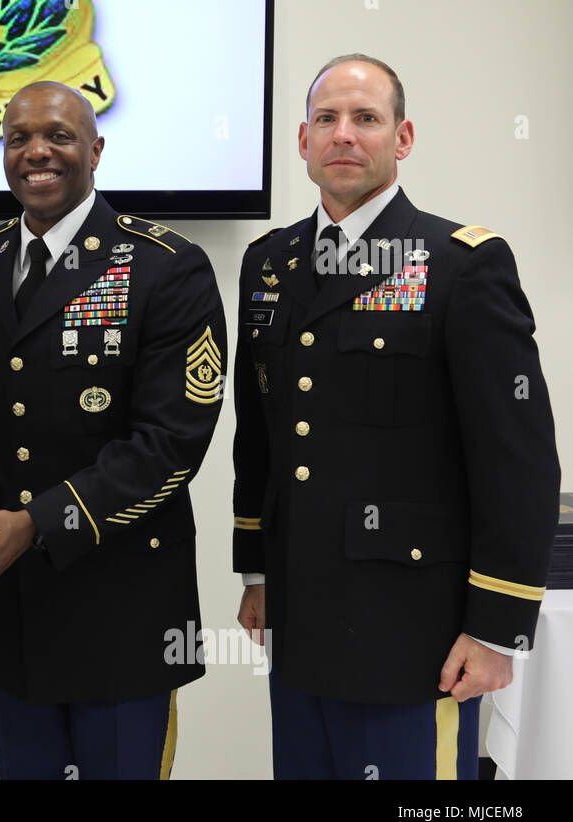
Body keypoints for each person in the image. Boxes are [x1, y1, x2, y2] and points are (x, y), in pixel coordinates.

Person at [231, 55, 559, 779]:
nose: (343, 135)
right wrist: (255, 569)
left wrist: (496, 625)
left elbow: (519, 457)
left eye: (366, 119)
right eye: (327, 120)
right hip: (303, 615)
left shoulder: (459, 264)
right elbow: (259, 433)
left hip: (418, 629)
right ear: (302, 140)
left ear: (403, 138)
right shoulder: (269, 262)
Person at [0, 82, 226, 779]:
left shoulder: (165, 265)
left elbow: (171, 446)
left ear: (95, 150)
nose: (37, 152)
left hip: (123, 602)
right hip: (17, 610)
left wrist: (36, 523)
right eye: (18, 138)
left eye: (59, 136)